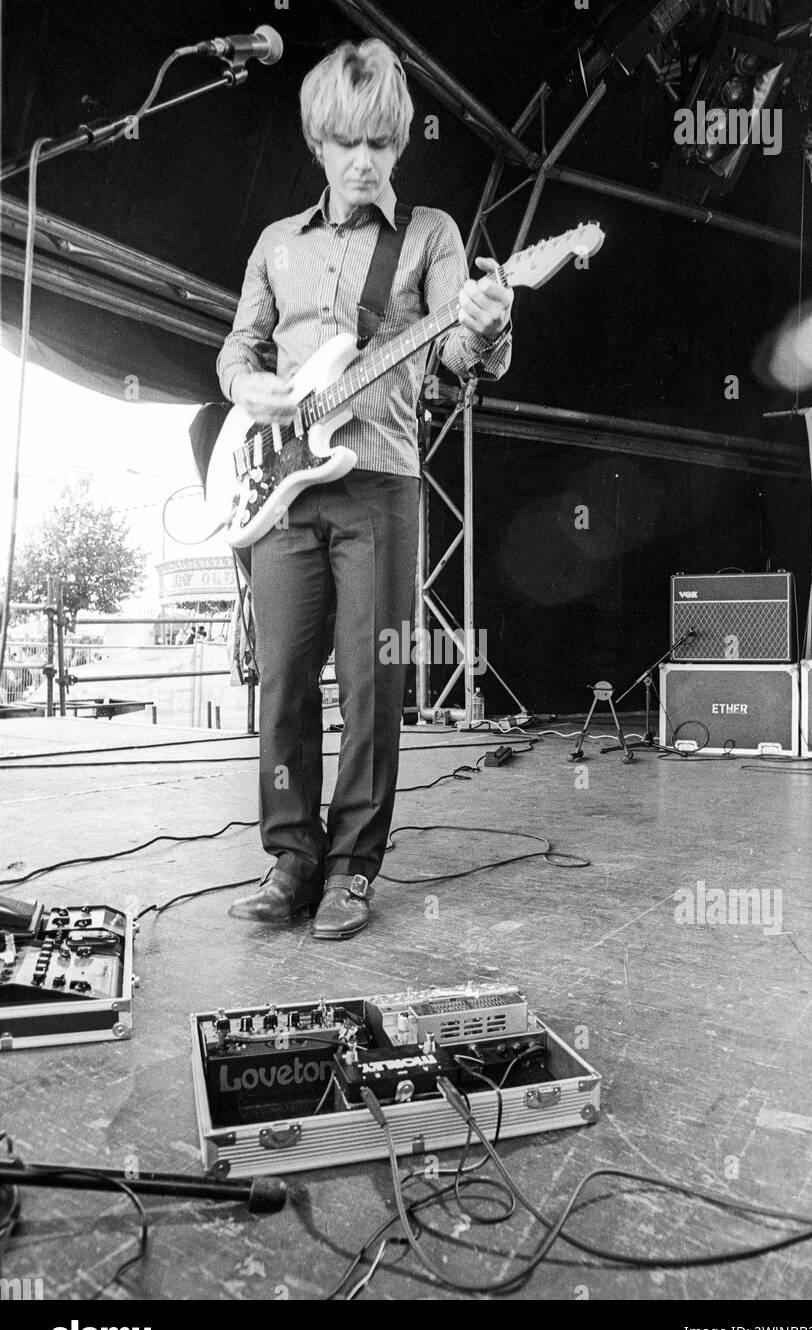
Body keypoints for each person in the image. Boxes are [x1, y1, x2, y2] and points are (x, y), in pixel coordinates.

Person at [216, 38, 513, 941]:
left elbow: (460, 355)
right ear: (319, 141)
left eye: (381, 144)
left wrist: (490, 326)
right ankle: (292, 855)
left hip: (379, 479)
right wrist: (248, 386)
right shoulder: (276, 245)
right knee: (284, 684)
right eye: (348, 143)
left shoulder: (430, 236)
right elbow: (239, 349)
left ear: (397, 145)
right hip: (281, 487)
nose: (364, 161)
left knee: (377, 682)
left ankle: (352, 866)